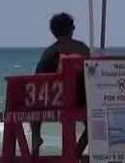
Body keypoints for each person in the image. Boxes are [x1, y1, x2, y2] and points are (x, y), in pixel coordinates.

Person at [32, 13, 91, 153]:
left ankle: (35, 135)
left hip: (50, 102)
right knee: (93, 126)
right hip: (77, 101)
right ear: (71, 29)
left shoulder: (48, 53)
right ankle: (75, 156)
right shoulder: (82, 49)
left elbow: (37, 79)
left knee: (35, 102)